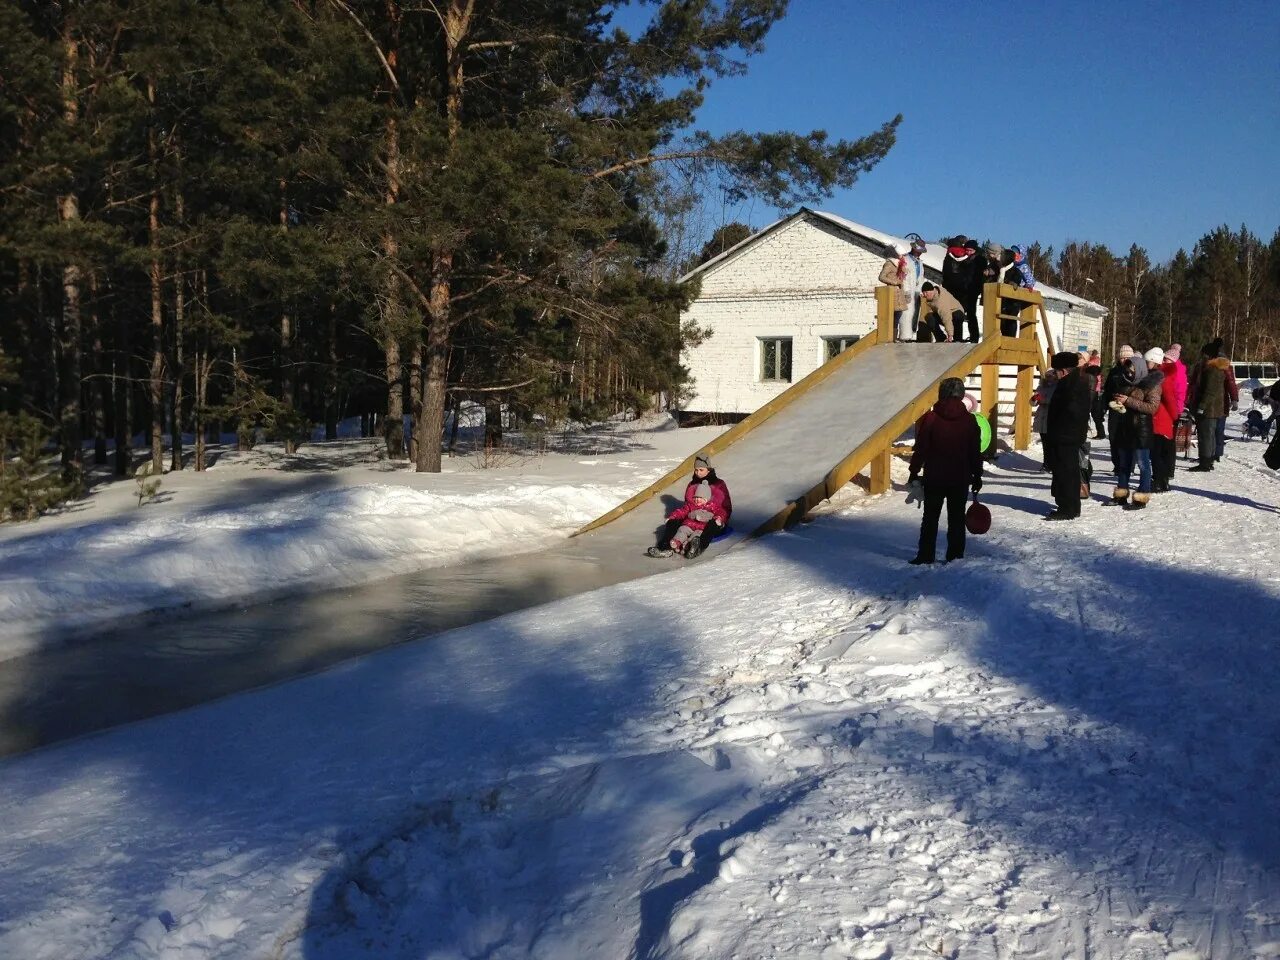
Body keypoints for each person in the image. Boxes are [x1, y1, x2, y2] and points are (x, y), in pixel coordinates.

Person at [906, 377, 982, 564]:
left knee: (930, 518)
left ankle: (925, 555)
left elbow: (921, 447)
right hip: (960, 478)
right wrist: (977, 475)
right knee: (956, 519)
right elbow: (975, 451)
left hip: (935, 478)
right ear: (962, 395)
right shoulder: (970, 420)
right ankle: (955, 556)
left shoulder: (932, 418)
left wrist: (914, 471)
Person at [647, 453, 732, 558]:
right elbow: (688, 506)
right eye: (696, 470)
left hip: (713, 519)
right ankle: (664, 548)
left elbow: (726, 507)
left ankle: (698, 546)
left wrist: (721, 519)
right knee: (673, 521)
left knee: (712, 524)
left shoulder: (718, 484)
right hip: (693, 519)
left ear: (708, 469)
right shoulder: (692, 485)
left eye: (701, 470)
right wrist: (674, 518)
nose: (698, 473)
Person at [1110, 354, 1164, 510]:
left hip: (1141, 430)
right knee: (1124, 464)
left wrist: (1128, 401)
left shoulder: (1152, 385)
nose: (1129, 372)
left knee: (1143, 464)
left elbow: (1152, 408)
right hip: (1125, 428)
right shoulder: (1123, 382)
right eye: (1127, 369)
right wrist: (1117, 403)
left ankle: (1142, 496)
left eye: (1132, 369)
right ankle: (1121, 494)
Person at [1044, 351, 1092, 520]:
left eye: (1057, 371)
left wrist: (1059, 430)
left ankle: (1068, 507)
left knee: (1066, 472)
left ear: (1063, 371)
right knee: (1065, 471)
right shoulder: (1073, 382)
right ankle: (1068, 505)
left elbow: (1072, 412)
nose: (1055, 374)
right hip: (1066, 435)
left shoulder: (1071, 386)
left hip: (1066, 436)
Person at [1186, 338, 1236, 471]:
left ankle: (1205, 463)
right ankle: (1209, 460)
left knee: (1205, 435)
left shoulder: (1213, 369)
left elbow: (1210, 391)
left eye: (1204, 354)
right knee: (1209, 435)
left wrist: (1202, 406)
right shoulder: (1216, 367)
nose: (1203, 356)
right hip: (1214, 407)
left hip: (1210, 408)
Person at [942, 236, 985, 343]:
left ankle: (968, 337)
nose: (968, 252)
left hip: (968, 290)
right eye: (967, 250)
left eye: (970, 250)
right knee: (964, 314)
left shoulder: (975, 259)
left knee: (965, 314)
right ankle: (966, 337)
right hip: (966, 290)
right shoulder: (965, 258)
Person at [1150, 348, 1180, 492]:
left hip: (1161, 417)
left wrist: (1175, 416)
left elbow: (1169, 398)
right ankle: (1163, 479)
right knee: (1163, 451)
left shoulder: (1162, 376)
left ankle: (1159, 480)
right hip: (1164, 417)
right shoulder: (1167, 374)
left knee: (1157, 452)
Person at [878, 242, 911, 341]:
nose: (903, 257)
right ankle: (891, 337)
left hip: (899, 293)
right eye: (902, 254)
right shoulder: (889, 264)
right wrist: (894, 282)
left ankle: (894, 337)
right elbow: (881, 277)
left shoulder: (899, 264)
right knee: (893, 315)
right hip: (892, 293)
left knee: (898, 314)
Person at [1032, 367, 1060, 469]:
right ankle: (1046, 463)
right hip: (1042, 417)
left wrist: (1044, 400)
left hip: (1052, 417)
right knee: (1045, 443)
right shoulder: (1041, 387)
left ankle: (1053, 463)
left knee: (1052, 443)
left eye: (1051, 375)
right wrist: (1034, 399)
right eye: (1047, 376)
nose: (1049, 378)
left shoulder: (1058, 387)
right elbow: (1032, 402)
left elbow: (1056, 401)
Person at [1085, 349, 1106, 440]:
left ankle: (1097, 432)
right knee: (1096, 415)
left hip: (1092, 390)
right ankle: (1101, 433)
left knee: (1088, 412)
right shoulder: (1097, 363)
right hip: (1096, 390)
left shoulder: (1091, 363)